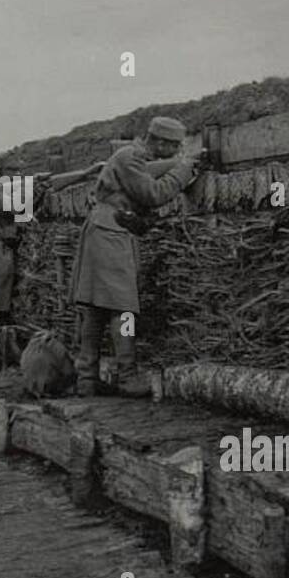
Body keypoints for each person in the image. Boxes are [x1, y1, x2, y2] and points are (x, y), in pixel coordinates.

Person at [70, 116, 196, 397]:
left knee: (96, 307)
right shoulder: (130, 157)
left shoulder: (131, 157)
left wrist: (175, 166)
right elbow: (154, 194)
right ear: (159, 142)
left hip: (108, 228)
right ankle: (127, 377)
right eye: (173, 147)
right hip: (111, 231)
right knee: (123, 307)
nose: (176, 152)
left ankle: (87, 379)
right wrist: (184, 171)